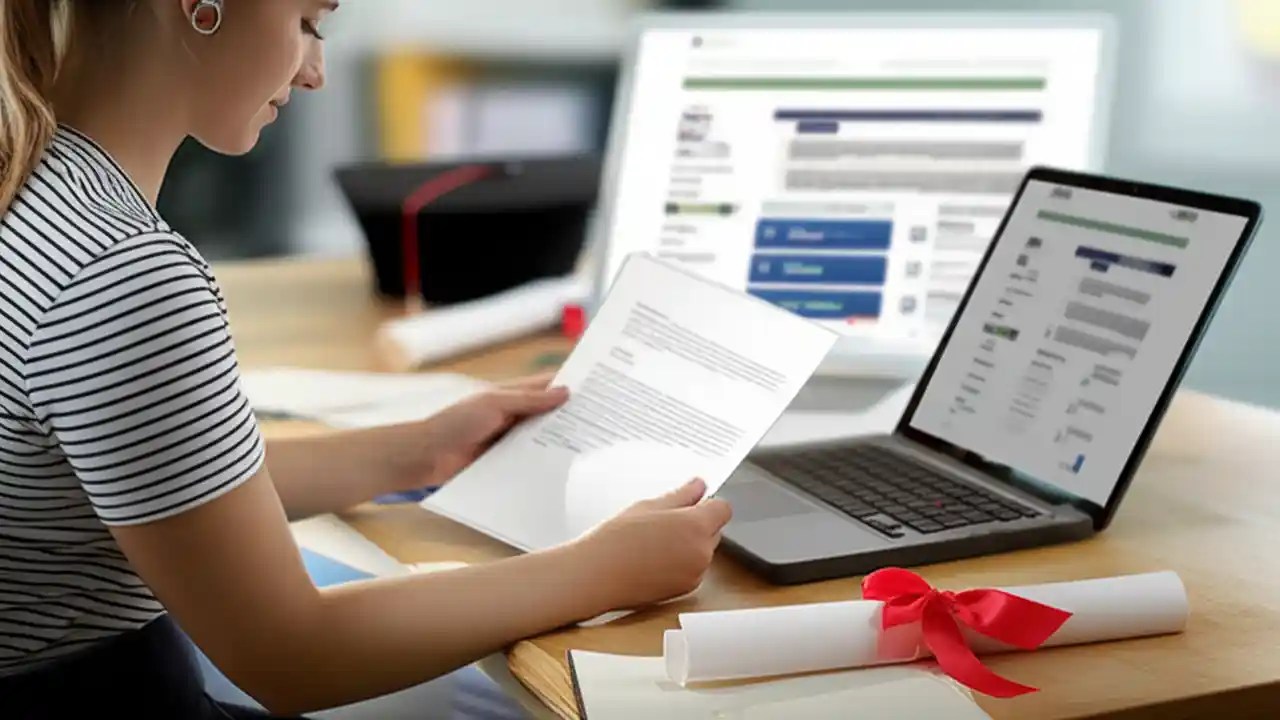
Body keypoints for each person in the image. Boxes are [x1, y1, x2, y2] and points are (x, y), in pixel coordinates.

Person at [0, 1, 733, 717]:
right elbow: (290, 655)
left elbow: (167, 485)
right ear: (199, 7)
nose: (315, 71)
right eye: (307, 23)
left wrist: (418, 452)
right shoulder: (122, 275)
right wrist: (603, 570)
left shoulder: (35, 194)